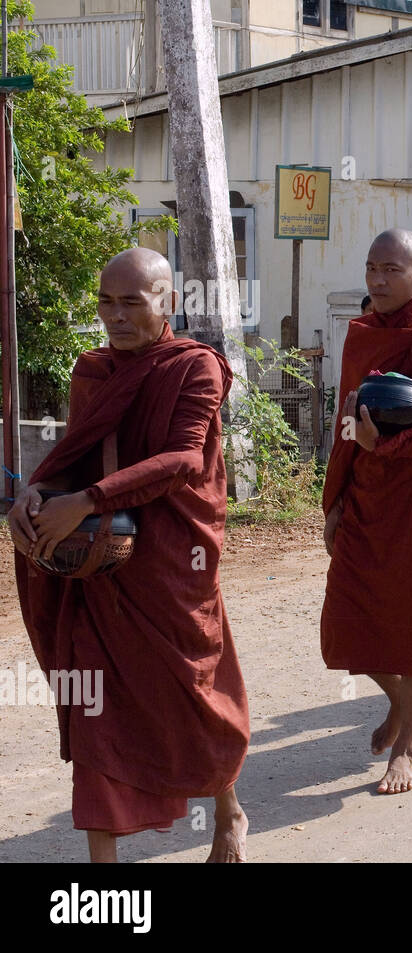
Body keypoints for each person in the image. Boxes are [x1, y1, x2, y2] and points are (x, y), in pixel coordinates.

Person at [9, 247, 249, 863]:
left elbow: (184, 460)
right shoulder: (92, 371)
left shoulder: (195, 368)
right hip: (101, 562)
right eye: (106, 302)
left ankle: (228, 808)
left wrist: (87, 500)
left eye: (131, 303)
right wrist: (35, 495)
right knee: (98, 709)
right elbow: (77, 451)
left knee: (189, 693)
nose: (115, 317)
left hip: (172, 556)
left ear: (167, 302)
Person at [321, 228, 412, 794]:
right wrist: (333, 500)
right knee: (347, 626)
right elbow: (344, 428)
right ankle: (398, 705)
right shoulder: (360, 337)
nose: (379, 281)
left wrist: (383, 447)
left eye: (392, 270)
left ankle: (406, 746)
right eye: (371, 269)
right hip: (364, 497)